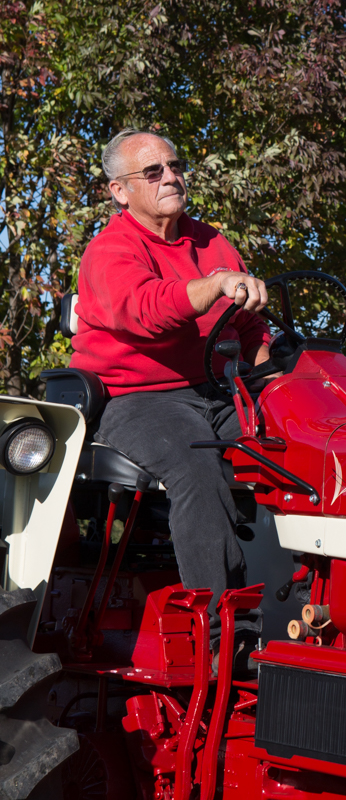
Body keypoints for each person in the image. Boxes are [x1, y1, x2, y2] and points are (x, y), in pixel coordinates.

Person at [70, 127, 270, 659]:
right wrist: (215, 285)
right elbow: (146, 311)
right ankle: (226, 637)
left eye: (175, 166)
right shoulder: (110, 250)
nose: (171, 178)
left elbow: (252, 333)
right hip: (138, 398)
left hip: (219, 390)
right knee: (195, 464)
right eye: (153, 172)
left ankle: (307, 606)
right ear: (120, 191)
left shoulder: (213, 241)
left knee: (291, 446)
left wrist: (277, 387)